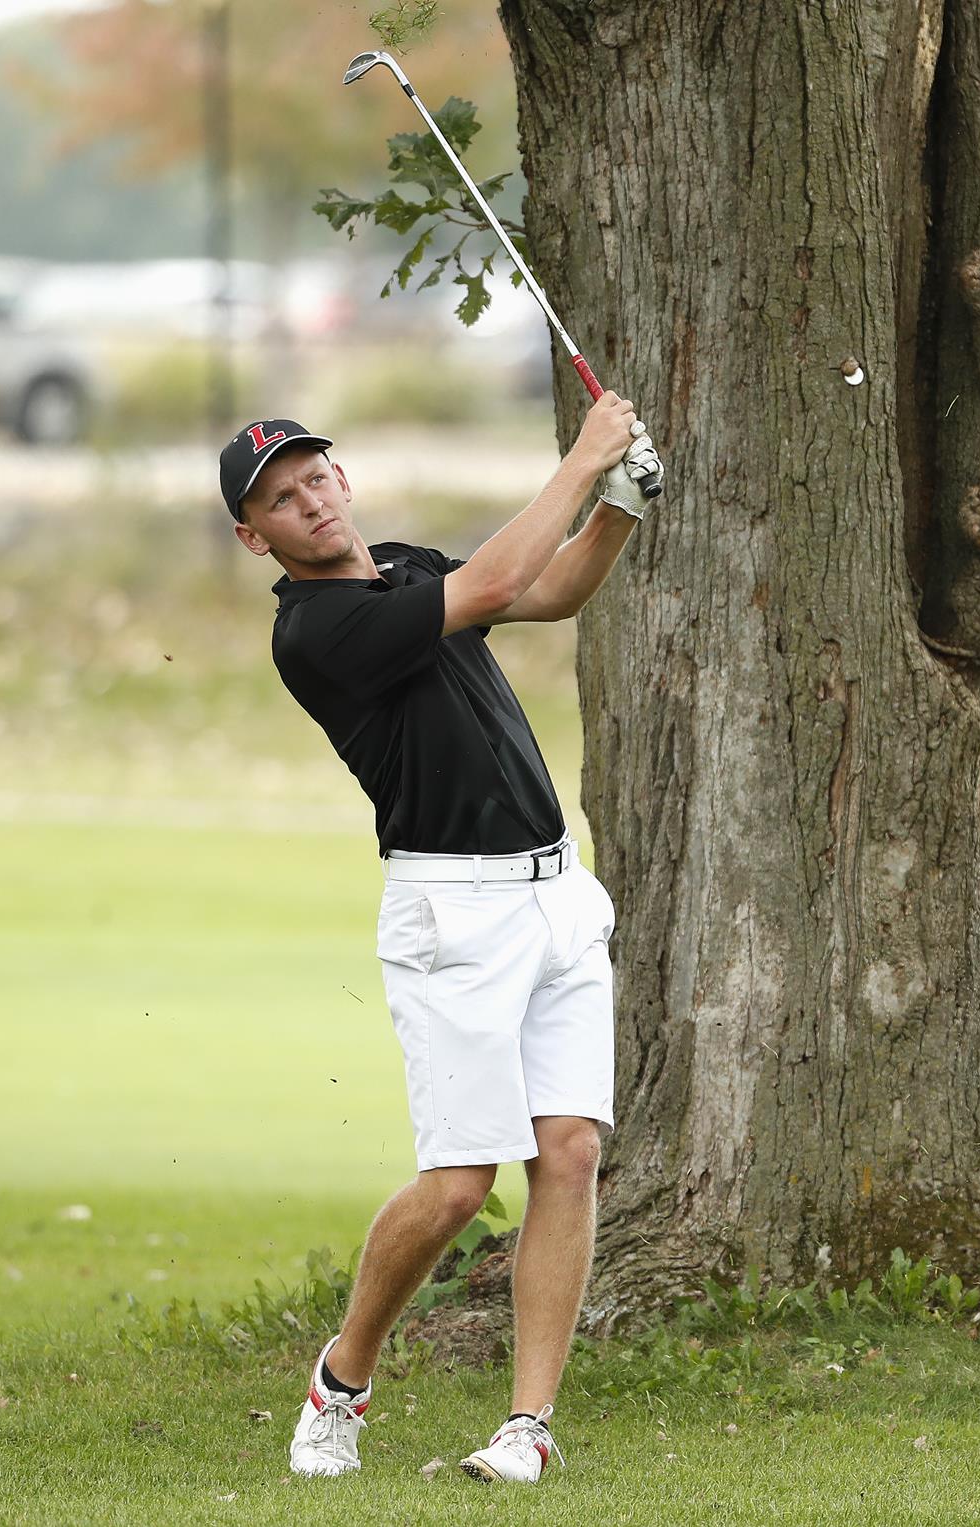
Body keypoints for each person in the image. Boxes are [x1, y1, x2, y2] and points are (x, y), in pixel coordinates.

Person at [217, 394, 659, 1485]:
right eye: (279, 499)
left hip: (555, 893)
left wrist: (620, 510)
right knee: (460, 1187)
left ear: (341, 478)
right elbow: (505, 578)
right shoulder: (316, 631)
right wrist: (587, 456)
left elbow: (547, 592)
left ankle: (527, 1426)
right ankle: (343, 1377)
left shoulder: (407, 570)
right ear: (253, 534)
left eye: (315, 477)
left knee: (569, 1154)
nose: (308, 501)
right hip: (451, 913)